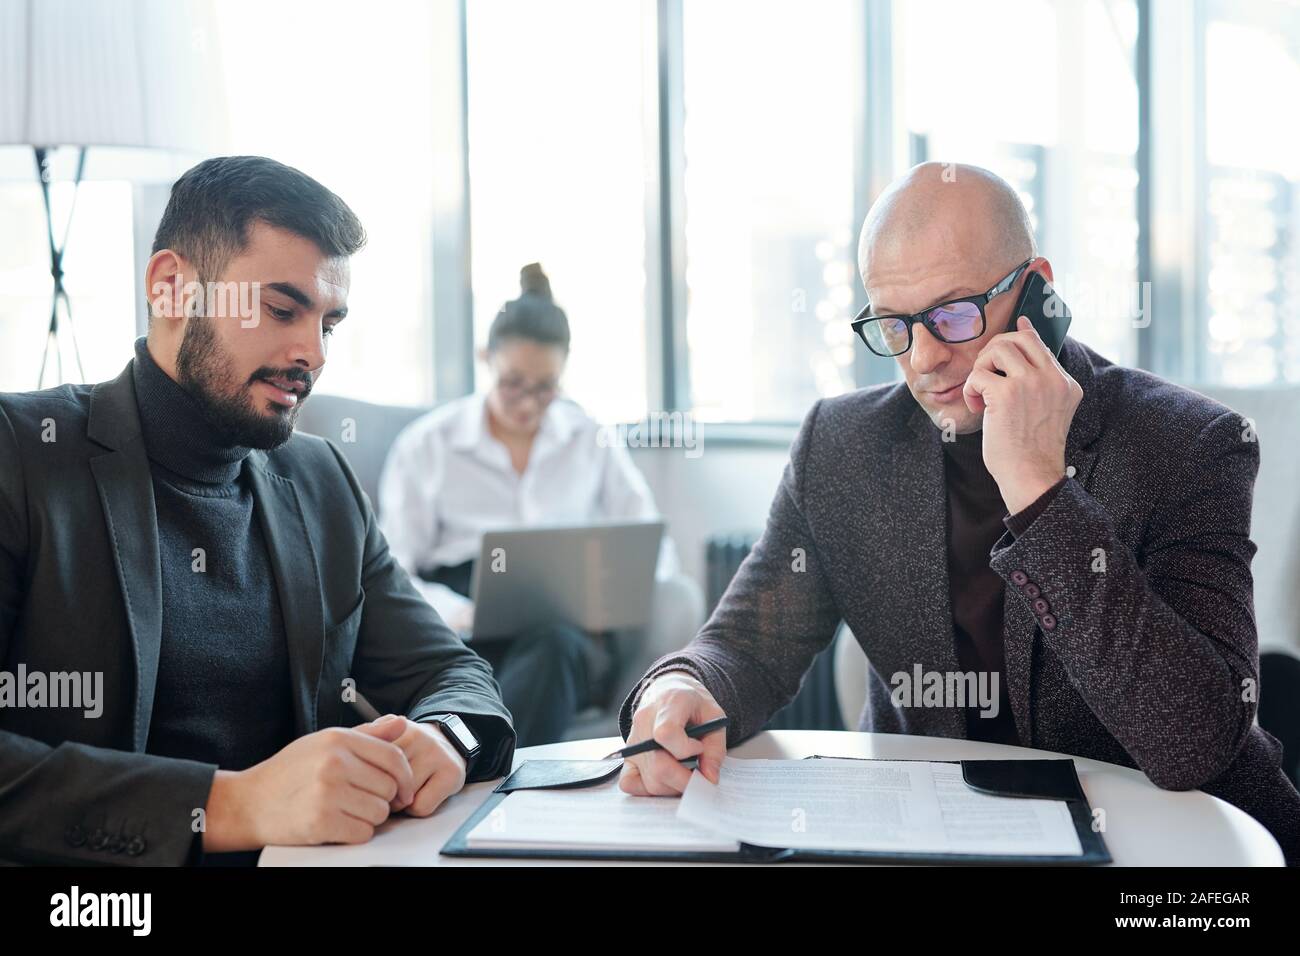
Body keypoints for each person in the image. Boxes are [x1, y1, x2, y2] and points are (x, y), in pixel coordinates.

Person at [617, 161, 1300, 866]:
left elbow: (1194, 741)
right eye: (893, 324)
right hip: (931, 839)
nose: (925, 359)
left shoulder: (1189, 444)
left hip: (1175, 847)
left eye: (952, 315)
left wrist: (1040, 492)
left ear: (1037, 289)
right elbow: (749, 645)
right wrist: (682, 683)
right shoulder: (841, 446)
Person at [0, 156, 515, 866]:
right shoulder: (20, 455)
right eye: (281, 310)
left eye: (329, 323)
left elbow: (451, 673)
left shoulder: (322, 477)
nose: (313, 352)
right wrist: (228, 804)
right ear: (171, 287)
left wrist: (444, 740)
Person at [379, 264, 678, 747]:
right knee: (490, 663)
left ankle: (478, 771)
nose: (527, 404)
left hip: (565, 630)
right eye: (513, 383)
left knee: (555, 643)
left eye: (545, 388)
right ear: (486, 360)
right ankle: (509, 781)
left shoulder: (588, 438)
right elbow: (392, 569)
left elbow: (652, 547)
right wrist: (461, 613)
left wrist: (609, 599)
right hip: (461, 620)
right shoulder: (428, 445)